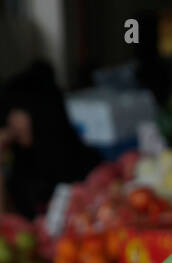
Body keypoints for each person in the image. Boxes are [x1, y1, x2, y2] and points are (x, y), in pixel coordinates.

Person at [0, 59, 100, 219]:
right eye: (9, 112)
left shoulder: (88, 169)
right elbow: (6, 225)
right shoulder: (20, 170)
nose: (11, 121)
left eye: (18, 110)